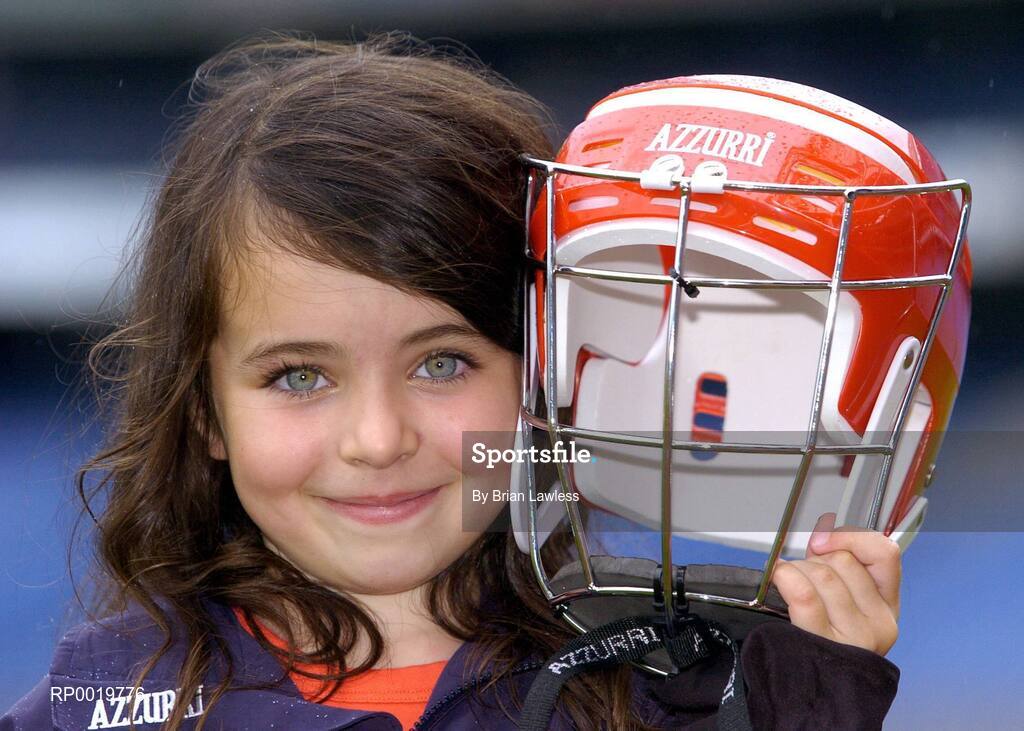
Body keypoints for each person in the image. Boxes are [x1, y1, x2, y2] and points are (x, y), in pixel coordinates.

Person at [1, 33, 904, 730]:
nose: (379, 438)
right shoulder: (114, 689)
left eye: (443, 361)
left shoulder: (669, 683)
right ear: (204, 409)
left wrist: (812, 700)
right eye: (300, 374)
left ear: (544, 373)